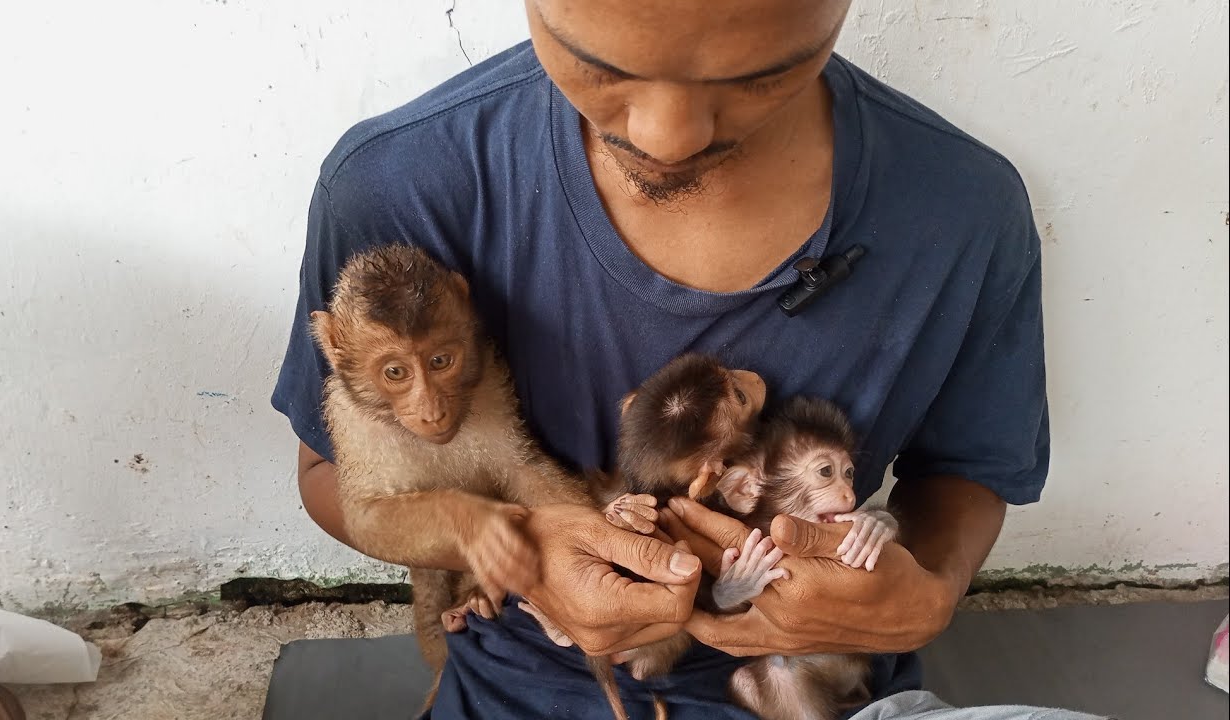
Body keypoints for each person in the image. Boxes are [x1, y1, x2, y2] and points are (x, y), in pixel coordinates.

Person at [271, 1, 1108, 718]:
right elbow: (335, 479)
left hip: (817, 686)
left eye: (758, 77)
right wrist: (515, 545)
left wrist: (928, 597)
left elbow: (965, 472)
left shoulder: (962, 209)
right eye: (599, 68)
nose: (666, 138)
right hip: (522, 685)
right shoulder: (399, 186)